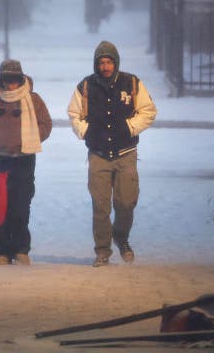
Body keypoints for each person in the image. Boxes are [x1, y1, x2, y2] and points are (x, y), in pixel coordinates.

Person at [67, 41, 157, 267]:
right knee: (100, 205)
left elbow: (148, 111)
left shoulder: (132, 83)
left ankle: (121, 236)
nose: (105, 67)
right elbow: (73, 113)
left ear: (116, 63)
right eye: (101, 62)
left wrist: (130, 127)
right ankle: (102, 250)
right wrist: (85, 132)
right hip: (97, 154)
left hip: (126, 153)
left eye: (109, 62)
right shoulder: (86, 86)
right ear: (96, 64)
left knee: (126, 202)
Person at [0, 60, 53, 266]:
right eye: (7, 79)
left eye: (15, 79)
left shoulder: (33, 99)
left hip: (24, 158)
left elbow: (46, 124)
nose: (11, 84)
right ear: (1, 79)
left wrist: (31, 138)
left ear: (21, 79)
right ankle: (2, 251)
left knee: (21, 206)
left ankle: (21, 249)